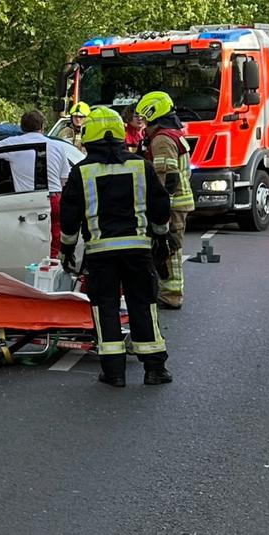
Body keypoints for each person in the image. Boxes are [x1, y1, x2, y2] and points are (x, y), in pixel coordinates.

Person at [59, 107, 174, 388]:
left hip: (101, 253)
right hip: (138, 250)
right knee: (143, 304)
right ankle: (155, 369)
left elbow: (70, 215)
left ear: (89, 136)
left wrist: (67, 250)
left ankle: (114, 372)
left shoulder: (82, 172)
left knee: (105, 307)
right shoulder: (139, 166)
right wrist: (161, 237)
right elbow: (160, 205)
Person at [0, 109, 82, 257]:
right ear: (42, 127)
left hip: (28, 202)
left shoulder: (14, 143)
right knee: (56, 242)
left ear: (22, 128)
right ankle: (55, 267)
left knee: (31, 245)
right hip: (55, 200)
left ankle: (38, 268)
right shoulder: (57, 146)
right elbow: (64, 180)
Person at [137, 91, 194, 310]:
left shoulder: (161, 139)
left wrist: (159, 204)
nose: (143, 123)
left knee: (168, 249)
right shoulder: (173, 133)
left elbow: (165, 177)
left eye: (145, 118)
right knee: (169, 247)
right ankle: (170, 291)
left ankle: (171, 294)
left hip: (172, 203)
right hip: (179, 201)